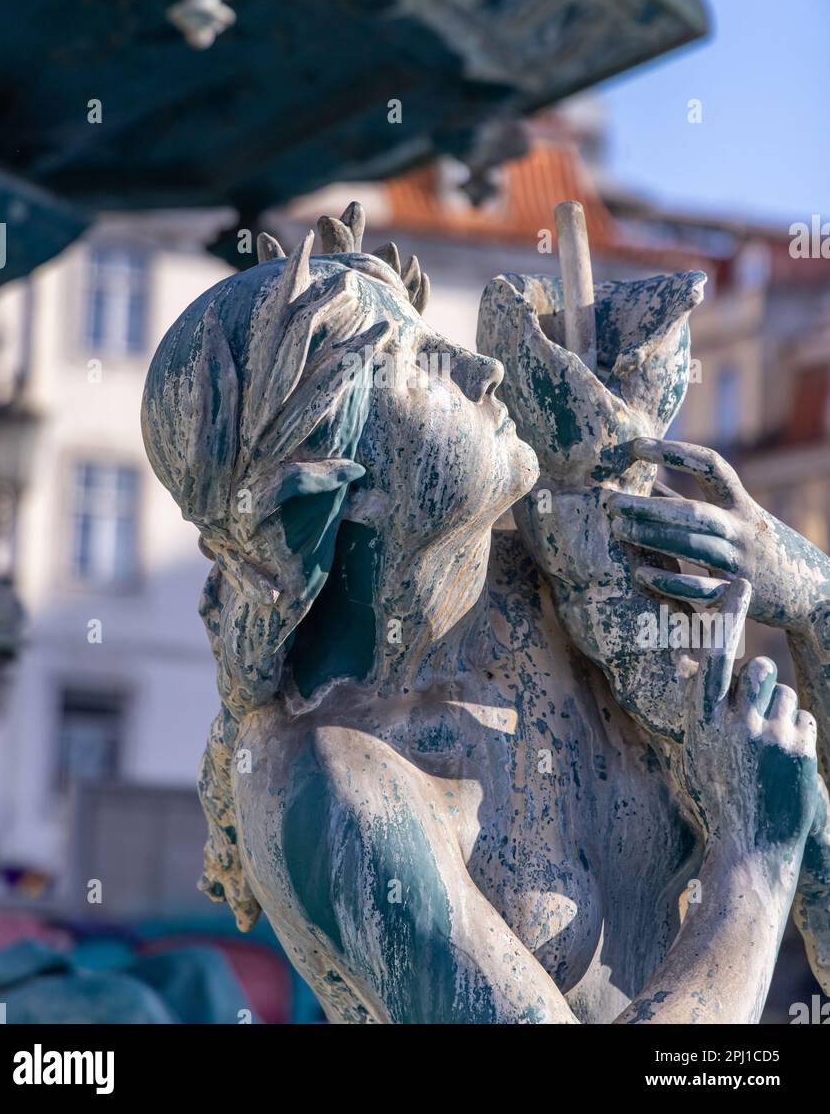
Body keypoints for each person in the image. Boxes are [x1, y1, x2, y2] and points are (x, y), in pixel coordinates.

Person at [141, 206, 821, 1023]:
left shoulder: (567, 593)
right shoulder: (325, 781)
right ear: (334, 486)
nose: (476, 366)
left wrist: (811, 601)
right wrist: (754, 865)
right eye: (416, 358)